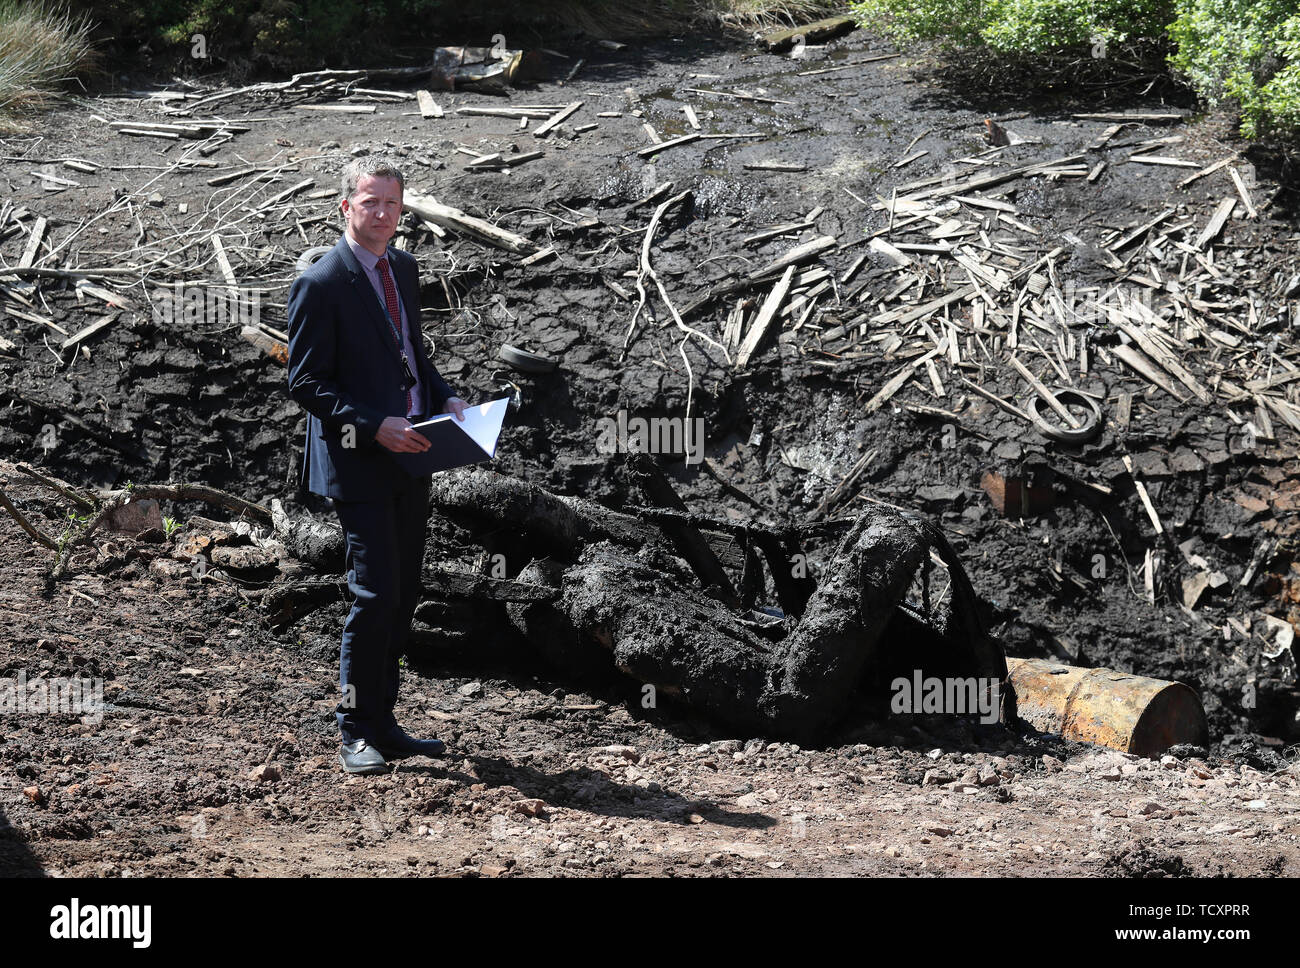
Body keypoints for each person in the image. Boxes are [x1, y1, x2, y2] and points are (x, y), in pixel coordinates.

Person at [286, 157, 467, 775]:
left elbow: (412, 353)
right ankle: (354, 729)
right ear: (346, 207)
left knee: (404, 592)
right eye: (371, 203)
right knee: (374, 593)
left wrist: (443, 396)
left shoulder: (404, 267)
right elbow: (305, 380)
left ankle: (384, 723)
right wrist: (373, 424)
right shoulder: (322, 281)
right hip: (360, 461)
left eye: (392, 204)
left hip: (416, 453)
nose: (384, 214)